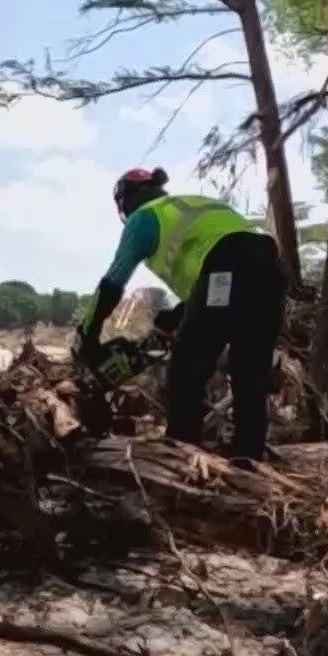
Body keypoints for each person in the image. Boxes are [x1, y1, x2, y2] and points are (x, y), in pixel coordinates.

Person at [76, 167, 287, 465]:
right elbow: (220, 277)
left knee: (187, 367)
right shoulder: (191, 204)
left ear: (128, 198)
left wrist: (89, 333)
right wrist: (176, 315)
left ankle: (179, 453)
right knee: (250, 372)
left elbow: (114, 281)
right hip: (270, 271)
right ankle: (247, 460)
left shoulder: (146, 217)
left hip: (226, 267)